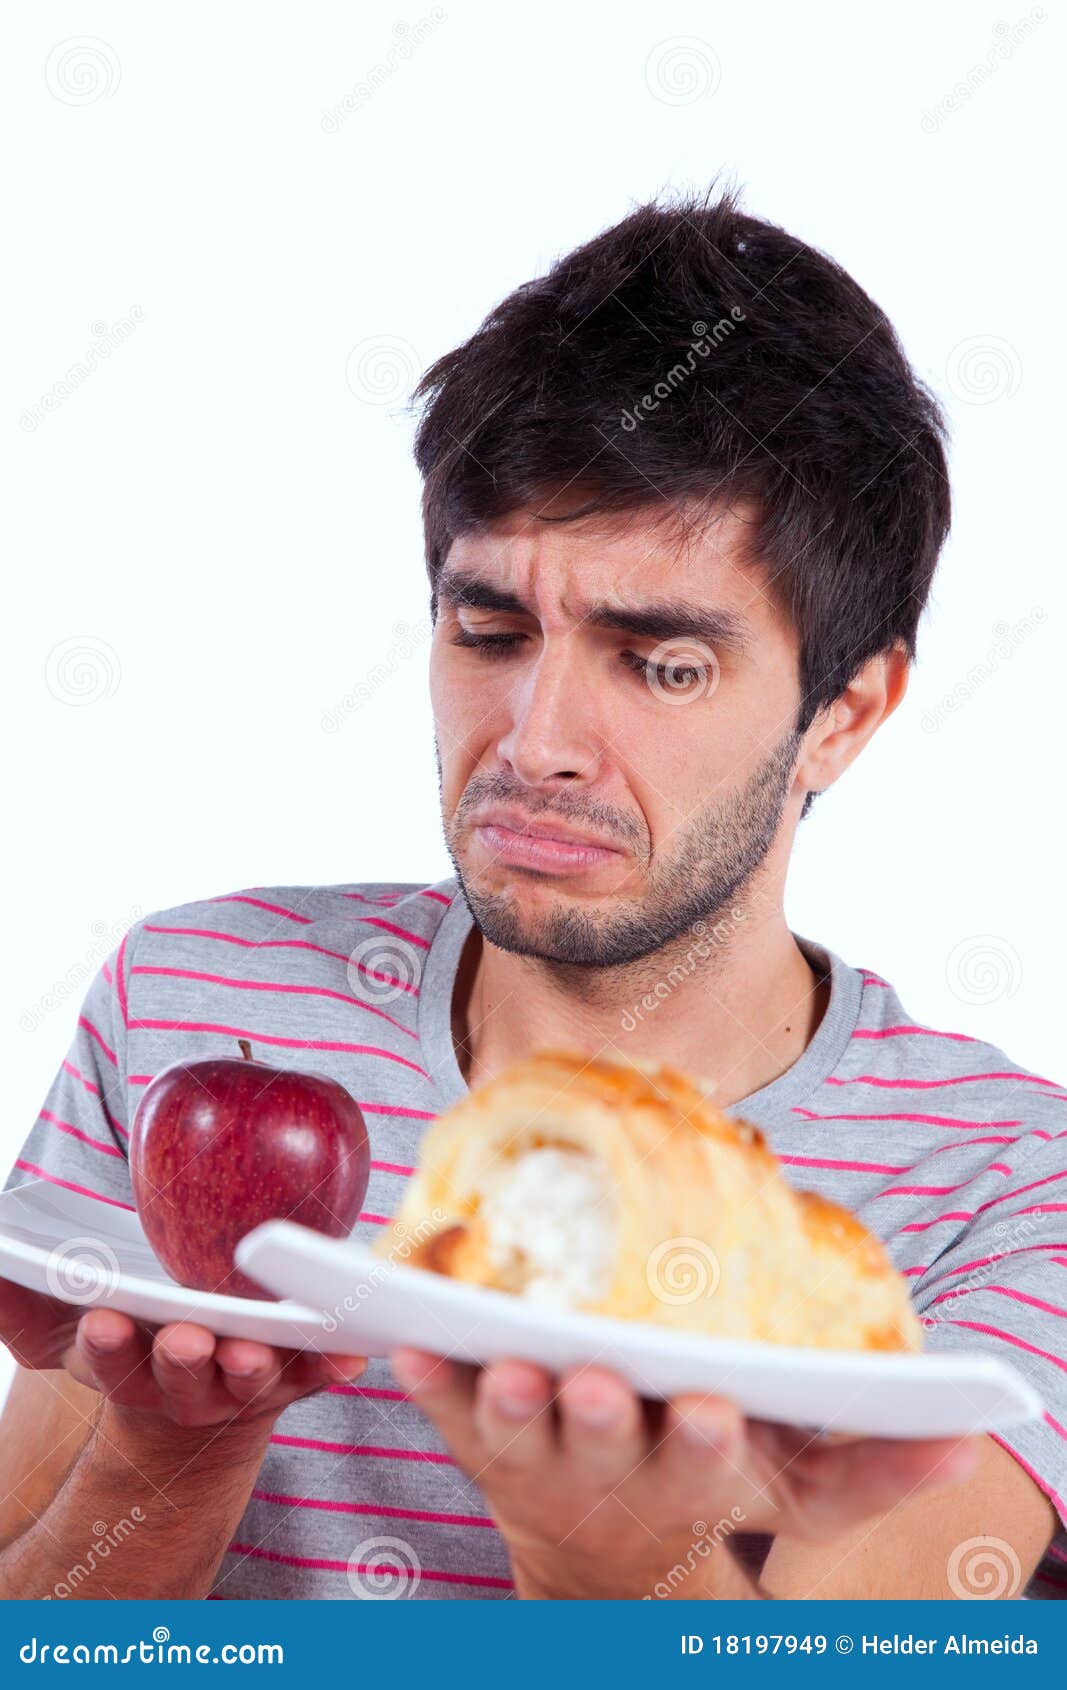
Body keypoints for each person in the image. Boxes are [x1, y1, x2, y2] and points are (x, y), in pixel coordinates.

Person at [1, 187, 1063, 1602]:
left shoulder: (1011, 1181)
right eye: (489, 630)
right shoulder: (196, 998)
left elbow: (870, 1655)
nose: (534, 741)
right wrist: (175, 1448)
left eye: (661, 662)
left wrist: (605, 1554)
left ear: (846, 713)